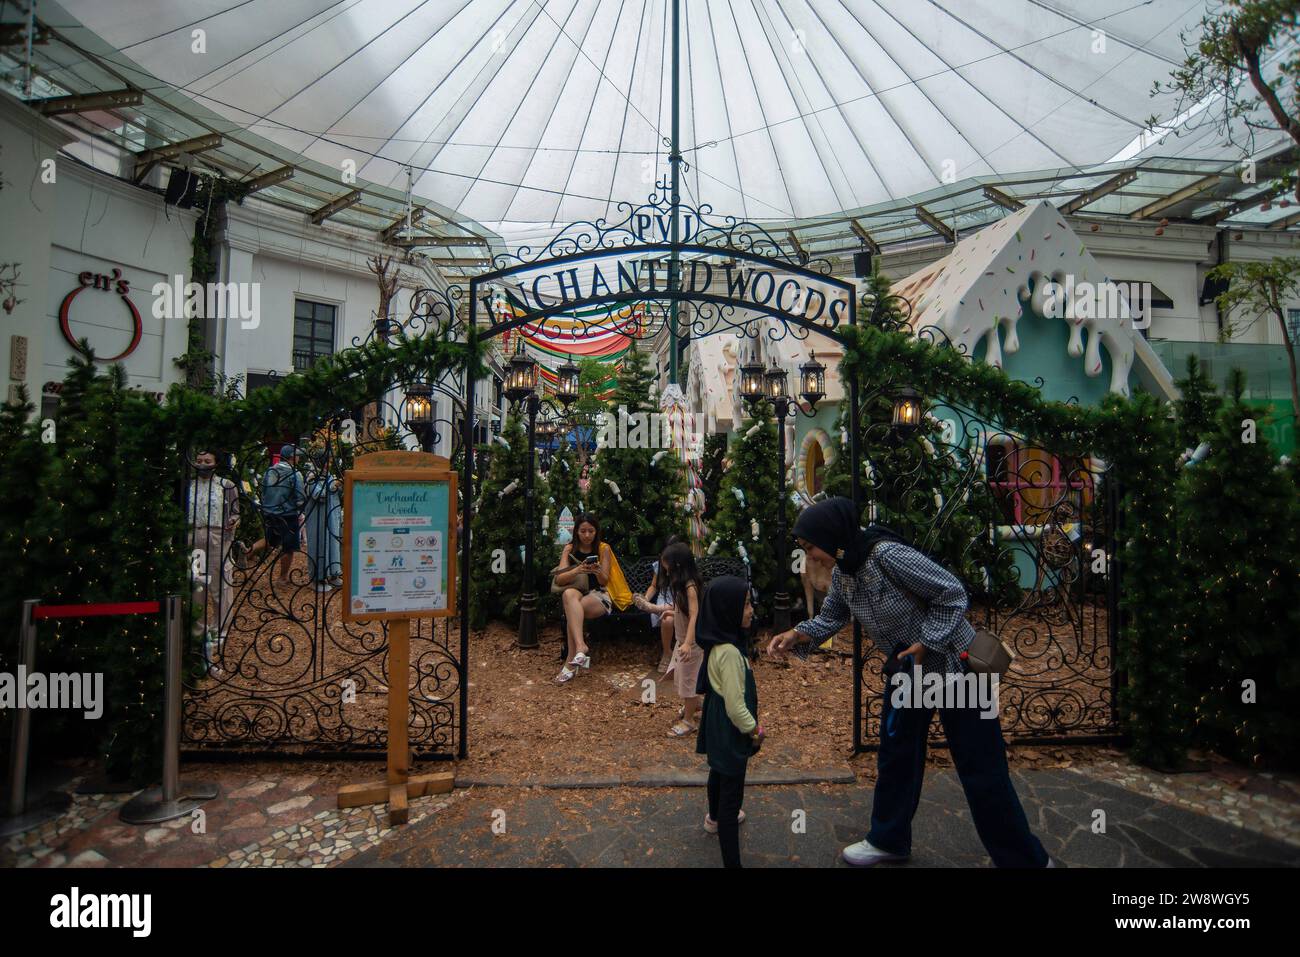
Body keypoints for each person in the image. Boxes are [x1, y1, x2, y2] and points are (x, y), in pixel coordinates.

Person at [768, 497, 1051, 869]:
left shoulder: (887, 556)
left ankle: (1026, 860)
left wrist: (928, 640)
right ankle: (888, 840)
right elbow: (833, 616)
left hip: (955, 668)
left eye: (811, 547)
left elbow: (952, 592)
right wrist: (797, 635)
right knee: (897, 756)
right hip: (910, 672)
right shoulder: (844, 572)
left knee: (982, 768)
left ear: (831, 535)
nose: (812, 556)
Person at [694, 576, 762, 868]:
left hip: (716, 725)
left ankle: (712, 818)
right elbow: (736, 707)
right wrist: (755, 730)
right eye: (745, 604)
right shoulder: (731, 654)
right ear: (727, 609)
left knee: (718, 772)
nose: (751, 610)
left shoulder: (718, 645)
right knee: (731, 796)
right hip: (731, 730)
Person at [551, 514, 633, 684]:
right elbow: (559, 579)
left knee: (572, 609)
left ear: (596, 532)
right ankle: (580, 647)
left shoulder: (603, 549)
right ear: (577, 532)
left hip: (600, 594)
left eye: (591, 531)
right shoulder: (569, 548)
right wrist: (578, 570)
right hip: (577, 593)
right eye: (583, 531)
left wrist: (597, 570)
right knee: (568, 595)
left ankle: (570, 662)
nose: (587, 535)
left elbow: (604, 580)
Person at [185, 450, 239, 666]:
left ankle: (220, 630)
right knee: (197, 583)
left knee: (220, 585)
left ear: (216, 463)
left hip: (218, 537)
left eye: (207, 461)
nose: (202, 464)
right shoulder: (188, 485)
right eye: (199, 461)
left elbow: (236, 511)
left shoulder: (226, 486)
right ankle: (198, 630)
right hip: (193, 537)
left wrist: (234, 521)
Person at [654, 542, 704, 738]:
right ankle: (694, 706)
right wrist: (666, 611)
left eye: (667, 568)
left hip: (690, 644)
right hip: (682, 641)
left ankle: (689, 721)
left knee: (689, 682)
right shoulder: (680, 586)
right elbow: (681, 611)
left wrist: (687, 642)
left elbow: (694, 615)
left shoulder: (690, 586)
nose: (665, 572)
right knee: (681, 678)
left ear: (677, 566)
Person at [243, 444, 306, 583]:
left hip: (270, 512)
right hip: (288, 514)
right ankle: (282, 577)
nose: (299, 458)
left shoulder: (270, 471)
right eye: (297, 456)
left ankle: (247, 552)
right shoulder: (295, 474)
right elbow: (300, 497)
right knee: (288, 547)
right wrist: (301, 509)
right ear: (292, 457)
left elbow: (263, 491)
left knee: (270, 539)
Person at [635, 534, 685, 673]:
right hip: (666, 597)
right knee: (667, 619)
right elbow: (654, 586)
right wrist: (645, 597)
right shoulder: (660, 566)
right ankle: (667, 653)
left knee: (669, 615)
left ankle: (652, 608)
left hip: (680, 600)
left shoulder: (685, 569)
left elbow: (685, 597)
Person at [303, 450, 342, 591]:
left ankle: (333, 574)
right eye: (327, 461)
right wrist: (333, 487)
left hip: (332, 517)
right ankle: (318, 578)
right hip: (318, 517)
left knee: (333, 544)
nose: (329, 464)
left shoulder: (329, 475)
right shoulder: (312, 476)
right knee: (319, 544)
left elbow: (336, 496)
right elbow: (318, 495)